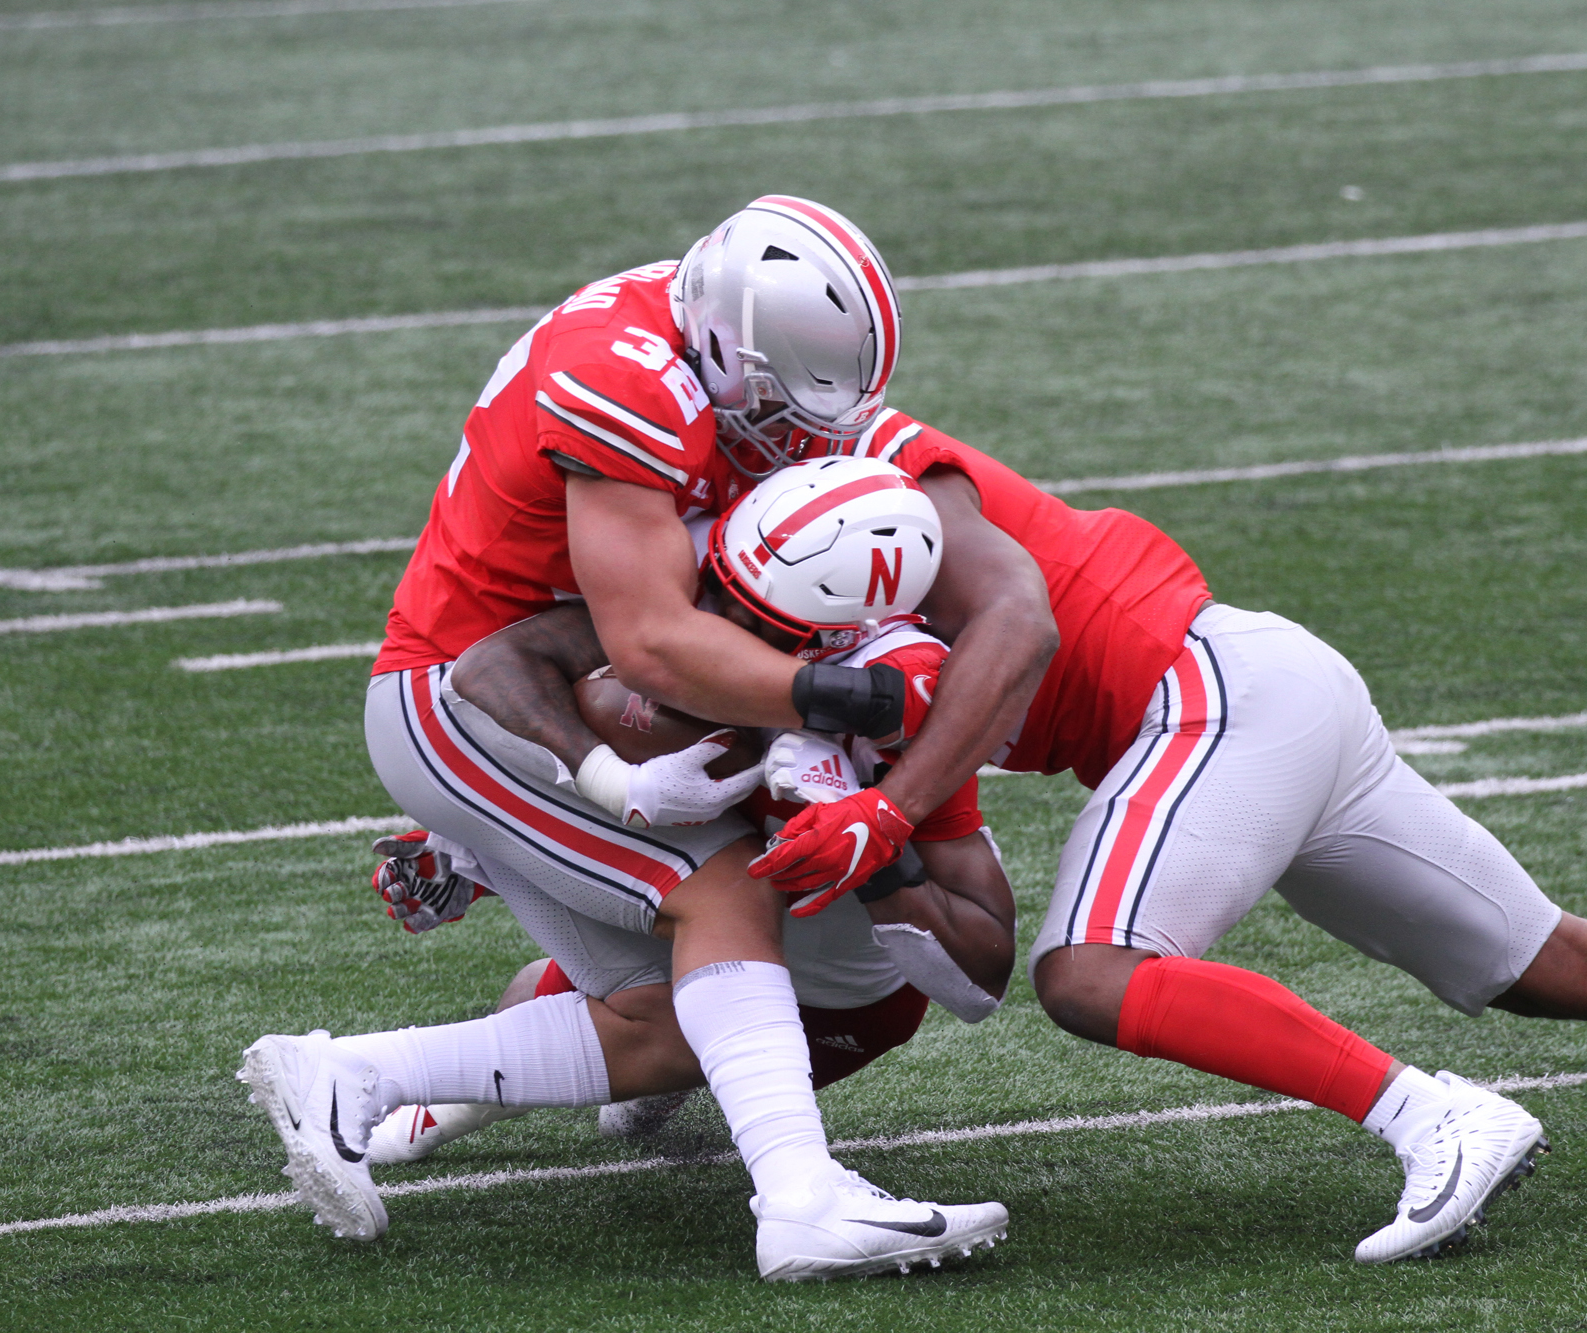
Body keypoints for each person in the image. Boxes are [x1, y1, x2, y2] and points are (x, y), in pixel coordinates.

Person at [757, 409, 1587, 1262]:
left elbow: (1019, 623)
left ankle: (1433, 1114)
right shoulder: (807, 555)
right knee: (1547, 962)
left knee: (1093, 974)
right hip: (1264, 682)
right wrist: (878, 851)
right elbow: (967, 958)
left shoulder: (867, 468)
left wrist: (885, 809)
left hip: (1202, 691)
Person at [240, 197, 1058, 1277]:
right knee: (727, 898)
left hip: (543, 691)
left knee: (685, 1019)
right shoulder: (628, 379)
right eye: (777, 404)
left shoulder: (700, 335)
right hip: (474, 692)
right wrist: (852, 699)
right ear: (723, 339)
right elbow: (653, 646)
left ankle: (354, 1077)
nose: (802, 438)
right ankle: (803, 1199)